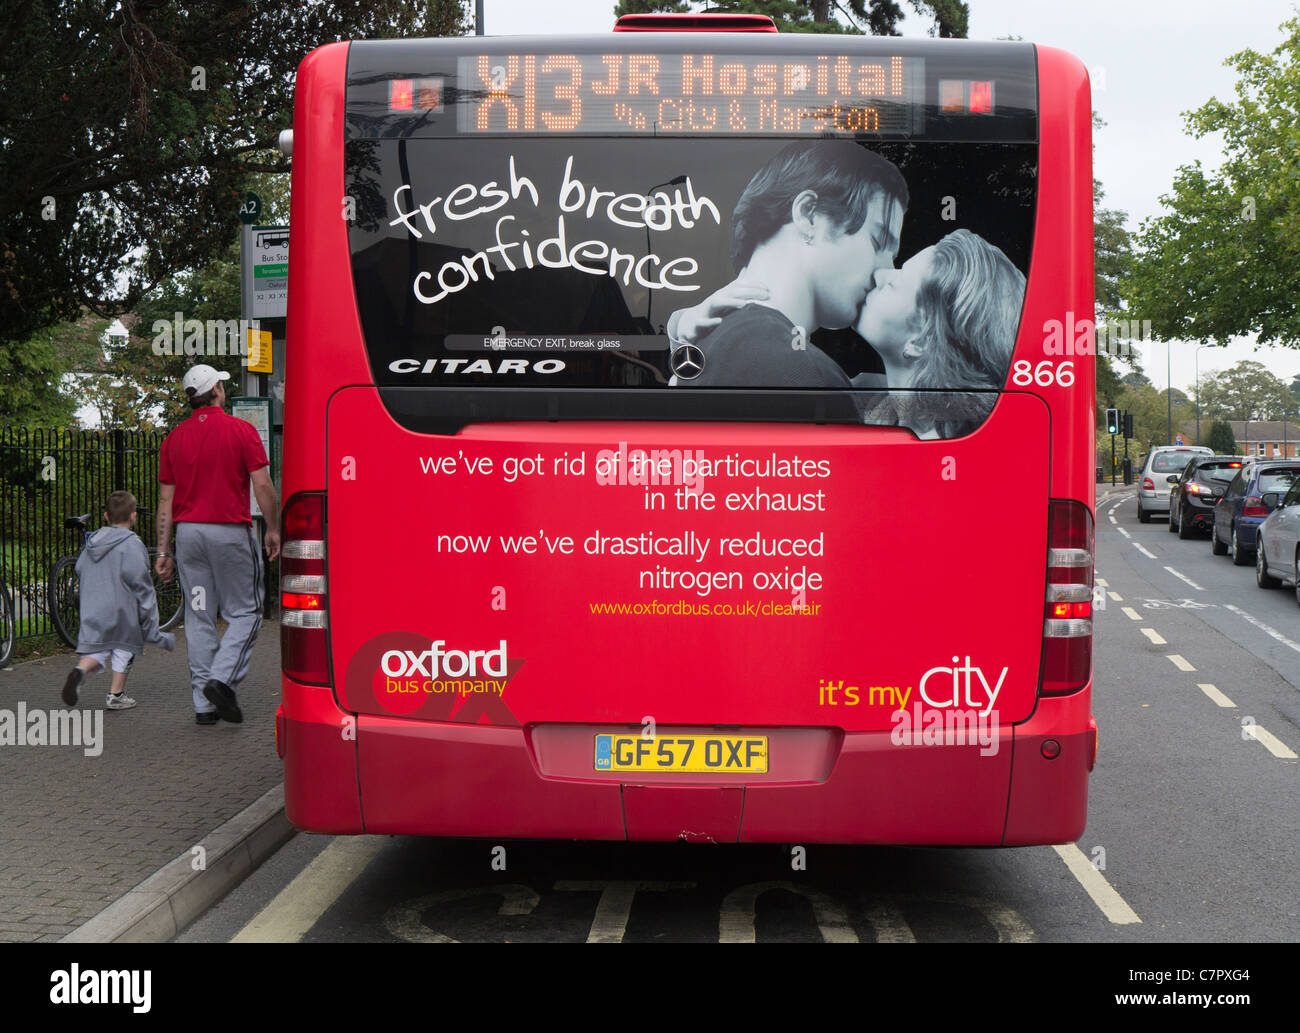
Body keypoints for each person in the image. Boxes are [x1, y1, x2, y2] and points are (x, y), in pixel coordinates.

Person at [667, 140, 907, 388]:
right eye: (878, 241)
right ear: (809, 214)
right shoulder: (804, 373)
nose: (886, 271)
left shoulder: (709, 346)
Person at [155, 364, 281, 725]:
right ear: (218, 392)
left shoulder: (173, 439)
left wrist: (164, 551)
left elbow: (166, 501)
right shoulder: (241, 431)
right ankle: (222, 680)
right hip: (229, 534)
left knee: (199, 617)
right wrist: (272, 529)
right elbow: (262, 485)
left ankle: (203, 705)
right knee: (246, 612)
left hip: (189, 538)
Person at [852, 228, 1026, 437]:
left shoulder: (942, 455)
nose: (878, 274)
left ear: (922, 341)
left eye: (892, 285)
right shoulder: (864, 400)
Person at [61, 490, 175, 710]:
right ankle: (116, 694)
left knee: (97, 650)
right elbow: (141, 584)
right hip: (121, 609)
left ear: (105, 516)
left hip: (93, 607)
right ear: (134, 516)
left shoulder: (93, 542)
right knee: (125, 647)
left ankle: (80, 671)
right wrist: (150, 618)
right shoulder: (133, 544)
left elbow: (80, 567)